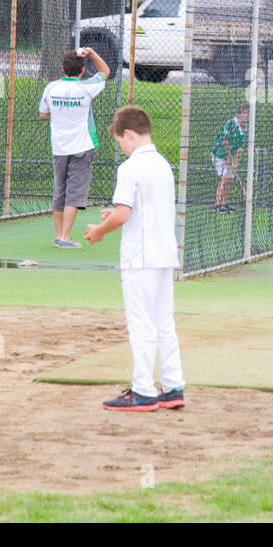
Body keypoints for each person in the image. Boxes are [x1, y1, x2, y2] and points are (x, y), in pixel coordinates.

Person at [84, 105, 186, 412]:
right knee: (163, 323)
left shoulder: (130, 168)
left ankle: (143, 390)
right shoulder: (163, 164)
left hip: (140, 258)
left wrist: (100, 229)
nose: (121, 147)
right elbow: (141, 209)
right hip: (164, 255)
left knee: (141, 325)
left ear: (128, 134)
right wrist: (113, 215)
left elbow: (124, 215)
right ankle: (172, 387)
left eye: (120, 141)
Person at [38, 47, 110, 248]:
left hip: (59, 148)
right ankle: (65, 237)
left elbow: (43, 114)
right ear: (82, 71)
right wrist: (93, 54)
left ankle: (59, 235)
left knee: (60, 190)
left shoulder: (51, 88)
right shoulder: (86, 87)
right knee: (74, 192)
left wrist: (61, 112)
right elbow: (105, 72)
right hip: (81, 147)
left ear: (62, 68)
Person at [211, 102, 249, 213]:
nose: (246, 116)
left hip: (230, 156)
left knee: (231, 179)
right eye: (245, 114)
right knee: (225, 178)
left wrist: (236, 162)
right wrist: (228, 157)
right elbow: (225, 140)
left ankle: (224, 204)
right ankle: (217, 205)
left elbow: (240, 148)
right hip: (220, 153)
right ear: (240, 114)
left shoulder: (245, 130)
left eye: (248, 115)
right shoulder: (231, 123)